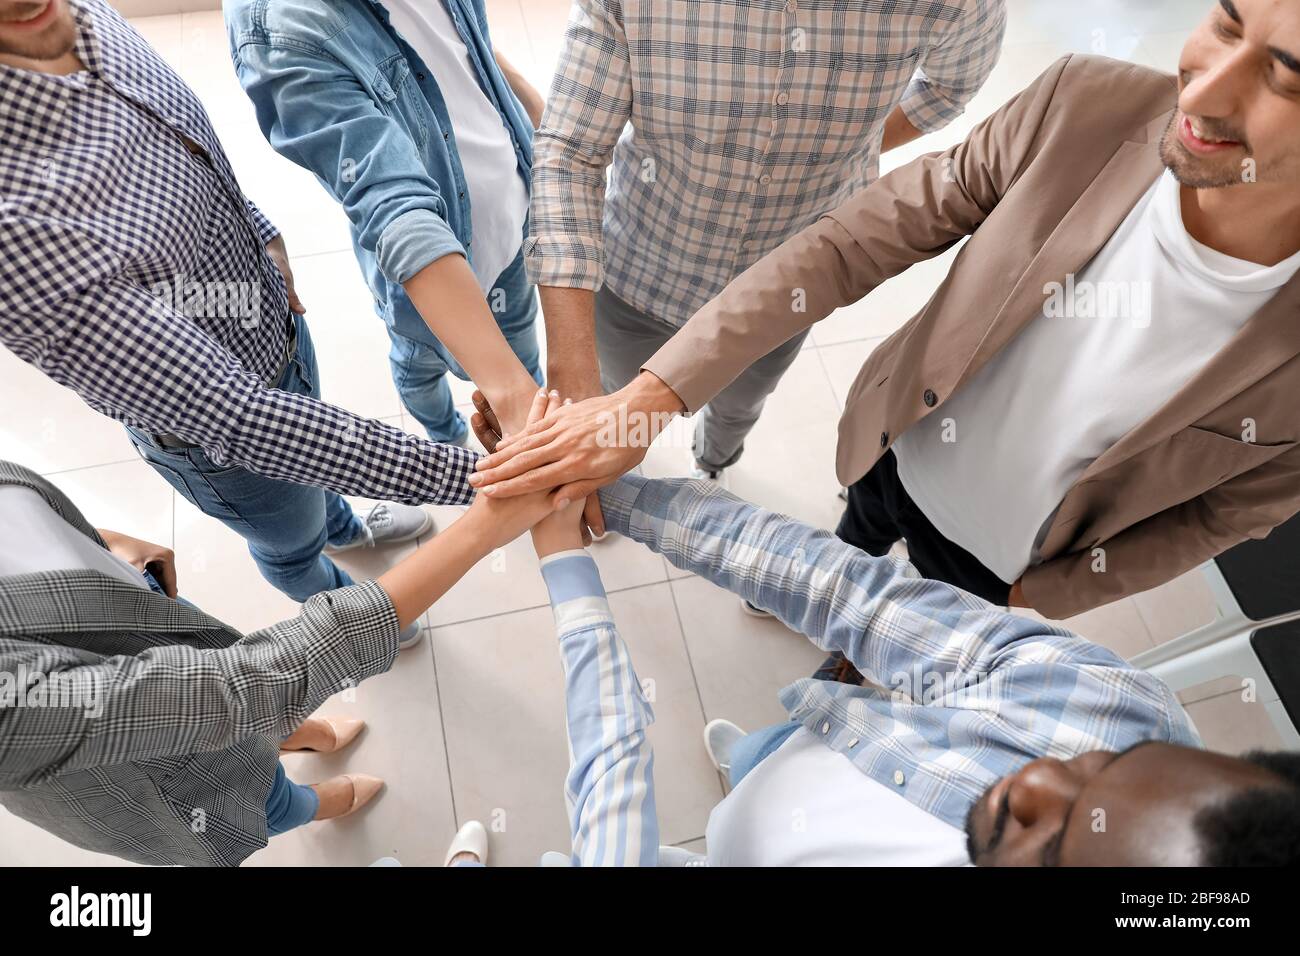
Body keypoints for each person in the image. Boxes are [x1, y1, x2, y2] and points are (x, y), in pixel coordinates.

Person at [470, 0, 1300, 622]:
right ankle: (816, 595)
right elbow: (843, 247)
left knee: (880, 658)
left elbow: (1226, 514)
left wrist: (1053, 589)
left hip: (1007, 561)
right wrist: (636, 406)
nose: (1207, 91)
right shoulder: (1085, 102)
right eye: (1226, 23)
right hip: (893, 448)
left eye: (1286, 76)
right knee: (847, 554)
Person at [469, 460, 1297, 866]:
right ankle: (742, 769)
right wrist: (600, 488)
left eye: (1053, 847)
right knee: (760, 763)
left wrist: (571, 586)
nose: (1039, 782)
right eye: (1102, 766)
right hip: (812, 756)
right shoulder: (1119, 705)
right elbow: (848, 594)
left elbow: (613, 770)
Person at [0, 0, 481, 614]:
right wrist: (469, 477)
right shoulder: (14, 232)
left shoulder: (79, 16)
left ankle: (344, 527)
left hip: (271, 323)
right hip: (225, 442)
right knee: (289, 544)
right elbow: (241, 420)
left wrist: (261, 234)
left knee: (314, 478)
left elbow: (184, 150)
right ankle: (342, 605)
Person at [0, 393, 564, 866]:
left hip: (136, 622)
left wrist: (93, 543)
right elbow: (232, 689)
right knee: (259, 791)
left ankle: (298, 731)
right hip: (146, 765)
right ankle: (316, 803)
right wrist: (482, 525)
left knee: (249, 689)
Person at [527, 0, 1006, 501]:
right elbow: (571, 153)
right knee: (615, 401)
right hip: (642, 268)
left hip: (789, 289)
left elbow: (949, 86)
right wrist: (571, 375)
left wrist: (856, 145)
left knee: (739, 405)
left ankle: (711, 461)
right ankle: (617, 487)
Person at [226, 0, 546, 447]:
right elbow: (392, 203)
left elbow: (458, 39)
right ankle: (445, 437)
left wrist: (531, 110)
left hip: (513, 227)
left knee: (524, 354)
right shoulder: (280, 27)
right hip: (424, 285)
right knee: (419, 371)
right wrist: (515, 403)